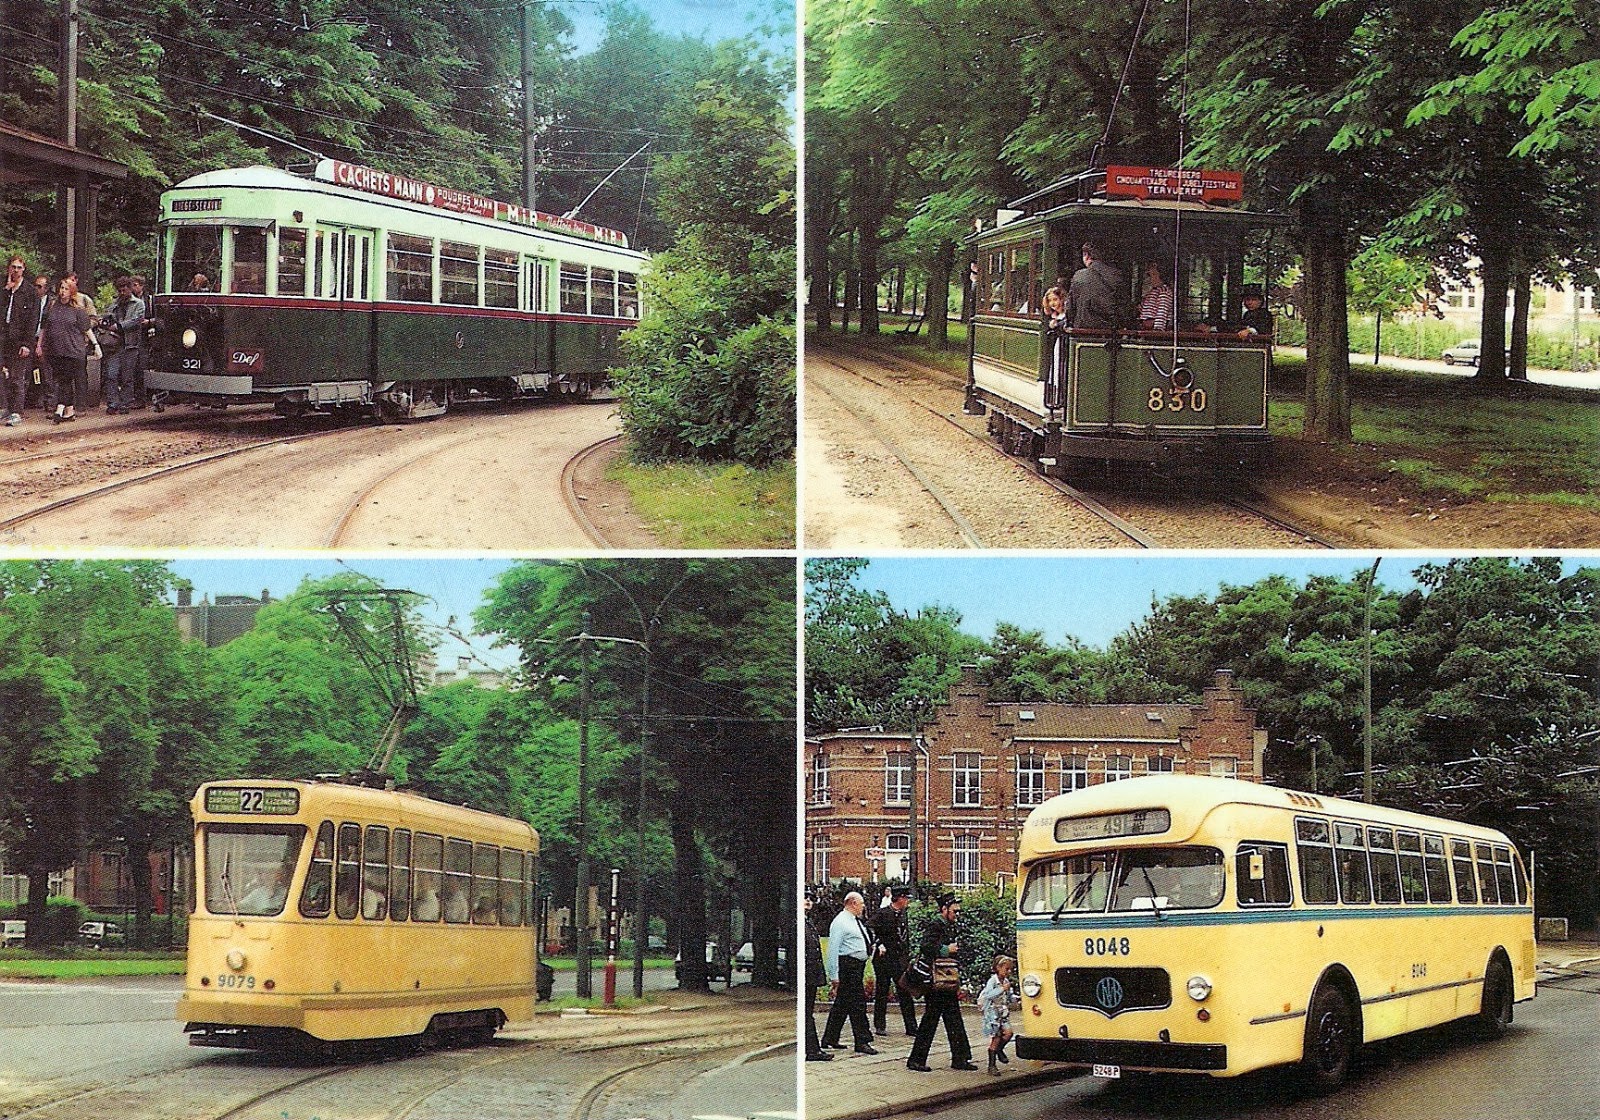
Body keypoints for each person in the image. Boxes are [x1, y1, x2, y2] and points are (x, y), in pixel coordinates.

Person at [907, 892, 976, 1073]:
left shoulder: (948, 925)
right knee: (931, 1020)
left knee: (953, 1019)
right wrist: (946, 949)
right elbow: (926, 946)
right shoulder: (936, 925)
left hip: (946, 980)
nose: (957, 915)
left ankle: (960, 1058)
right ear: (944, 909)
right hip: (936, 982)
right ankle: (916, 1060)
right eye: (954, 911)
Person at [821, 890, 877, 1054]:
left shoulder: (853, 920)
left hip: (857, 966)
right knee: (857, 1004)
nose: (863, 907)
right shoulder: (841, 922)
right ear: (853, 903)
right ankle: (862, 1040)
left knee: (843, 1003)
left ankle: (830, 1038)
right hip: (848, 966)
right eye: (861, 904)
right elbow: (833, 949)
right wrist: (834, 975)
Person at [37, 278, 90, 423]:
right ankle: (70, 410)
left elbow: (86, 329)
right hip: (55, 349)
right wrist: (39, 345)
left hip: (72, 350)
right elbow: (44, 327)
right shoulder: (52, 306)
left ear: (72, 291)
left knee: (65, 379)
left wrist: (95, 345)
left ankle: (59, 408)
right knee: (61, 379)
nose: (63, 291)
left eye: (66, 289)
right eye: (61, 288)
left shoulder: (78, 310)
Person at [870, 885, 917, 1037]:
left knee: (905, 991)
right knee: (882, 991)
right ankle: (880, 1025)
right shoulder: (882, 913)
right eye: (906, 898)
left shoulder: (903, 914)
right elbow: (869, 928)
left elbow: (904, 937)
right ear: (900, 898)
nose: (907, 901)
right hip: (883, 960)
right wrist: (878, 943)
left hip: (899, 960)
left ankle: (911, 1026)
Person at [2, 255, 39, 426]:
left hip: (19, 339)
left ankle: (17, 411)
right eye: (13, 267)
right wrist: (6, 291)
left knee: (17, 377)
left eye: (19, 268)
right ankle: (5, 407)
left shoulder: (30, 292)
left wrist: (27, 344)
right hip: (4, 337)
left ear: (23, 270)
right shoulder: (4, 289)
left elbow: (32, 320)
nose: (15, 271)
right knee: (3, 375)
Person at [101, 276, 145, 414]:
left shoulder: (138, 304)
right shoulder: (115, 304)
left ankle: (126, 403)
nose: (122, 293)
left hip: (130, 344)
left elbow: (136, 320)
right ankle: (113, 403)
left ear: (130, 289)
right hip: (115, 344)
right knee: (111, 374)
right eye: (120, 290)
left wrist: (119, 326)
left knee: (127, 377)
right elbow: (107, 316)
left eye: (124, 290)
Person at [1063, 242, 1127, 331]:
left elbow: (1070, 308)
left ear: (1086, 255)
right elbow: (1123, 308)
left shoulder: (1079, 276)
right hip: (1110, 332)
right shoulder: (1117, 276)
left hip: (1082, 331)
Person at [804, 894, 832, 1061]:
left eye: (810, 898)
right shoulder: (800, 923)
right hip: (806, 976)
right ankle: (812, 1050)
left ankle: (812, 1049)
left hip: (811, 976)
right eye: (804, 898)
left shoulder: (808, 922)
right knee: (806, 1014)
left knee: (808, 1013)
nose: (808, 901)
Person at [979, 955, 1016, 1075]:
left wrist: (1015, 998)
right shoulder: (993, 981)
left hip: (1002, 1013)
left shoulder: (1006, 982)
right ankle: (992, 1065)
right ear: (998, 968)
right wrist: (1002, 989)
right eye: (1007, 969)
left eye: (1010, 969)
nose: (1009, 972)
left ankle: (999, 1050)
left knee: (1009, 1033)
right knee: (996, 1037)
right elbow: (988, 995)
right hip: (992, 1013)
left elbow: (1009, 996)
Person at [1041, 285, 1070, 410]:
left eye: (1055, 300)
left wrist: (1056, 325)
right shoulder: (1053, 316)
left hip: (1064, 347)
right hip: (1057, 347)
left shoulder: (1066, 315)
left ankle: (1062, 399)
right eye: (1050, 301)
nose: (1053, 303)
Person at [1138, 261, 1175, 331]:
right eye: (1149, 275)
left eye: (1154, 275)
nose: (1151, 278)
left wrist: (1158, 329)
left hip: (1154, 327)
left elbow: (1162, 312)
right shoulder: (1151, 291)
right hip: (1146, 327)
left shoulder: (1164, 292)